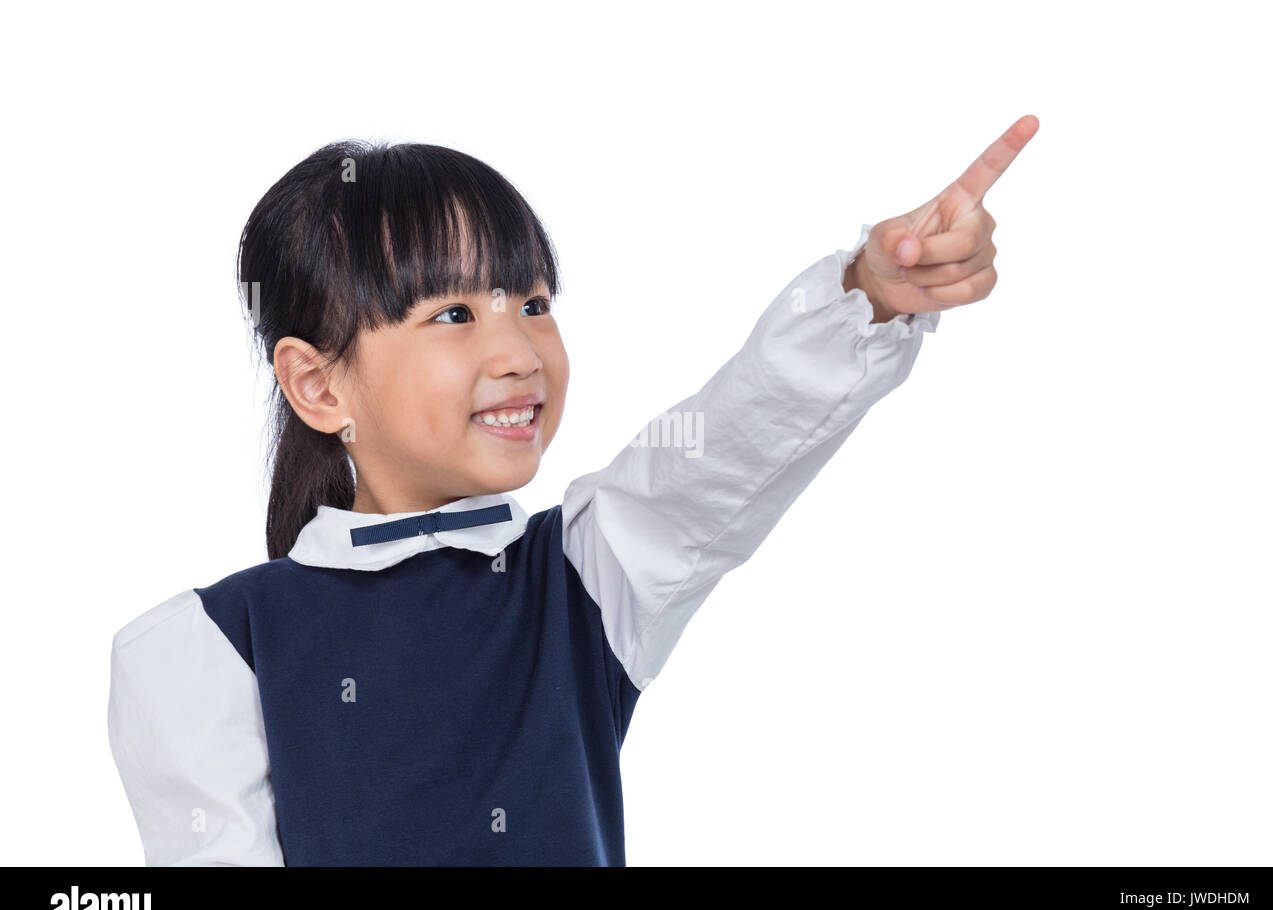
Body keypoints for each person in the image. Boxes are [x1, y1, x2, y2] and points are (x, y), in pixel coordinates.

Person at [106, 116, 1037, 865]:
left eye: (534, 304)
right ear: (318, 386)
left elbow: (735, 437)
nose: (519, 352)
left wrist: (871, 292)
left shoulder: (591, 572)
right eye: (454, 314)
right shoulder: (208, 648)